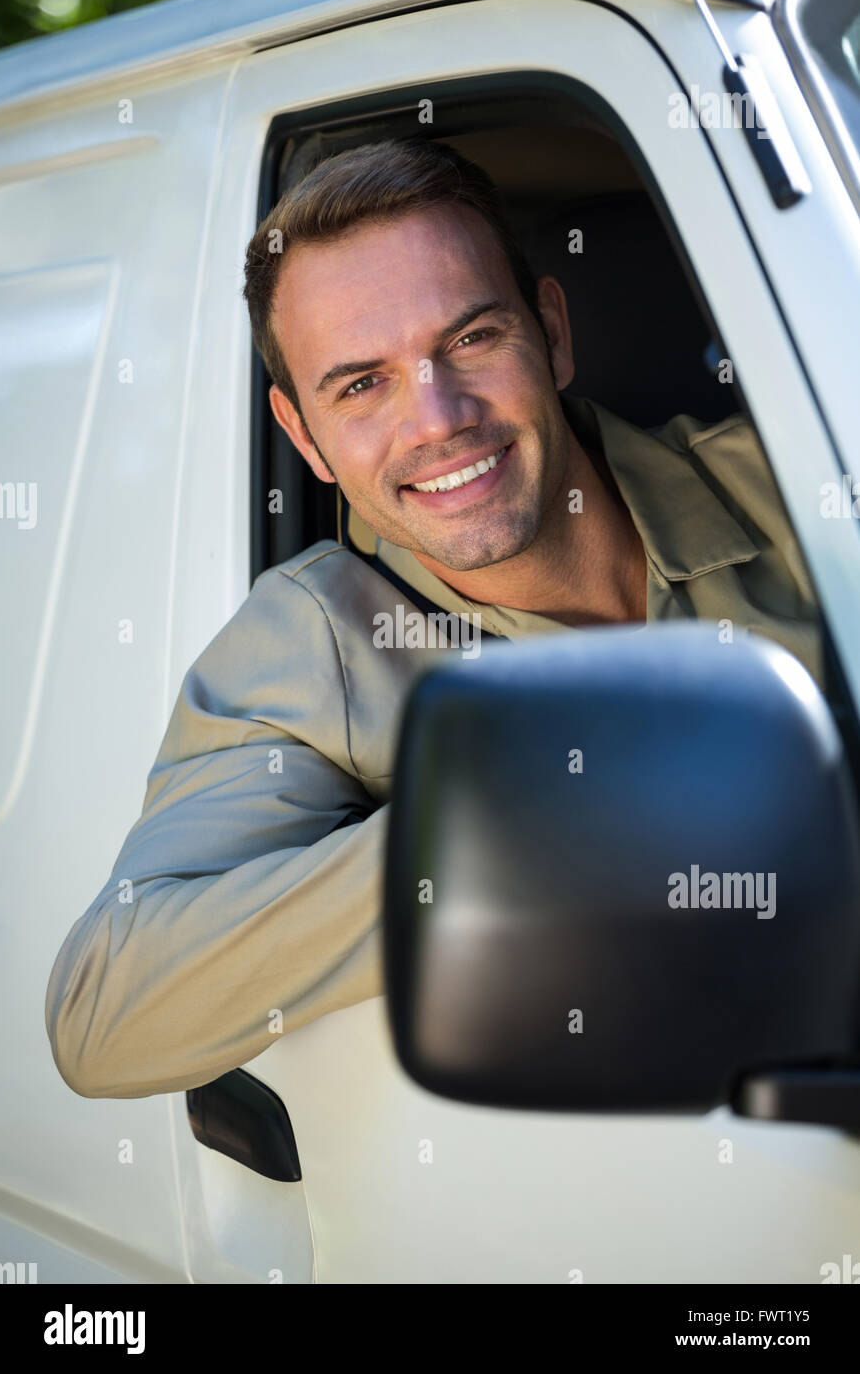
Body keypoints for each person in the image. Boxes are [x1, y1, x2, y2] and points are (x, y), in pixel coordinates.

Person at [45, 138, 822, 1098]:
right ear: (305, 437)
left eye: (469, 339)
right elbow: (102, 1012)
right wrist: (486, 832)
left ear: (552, 333)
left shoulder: (803, 489)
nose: (438, 418)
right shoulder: (312, 643)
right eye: (362, 384)